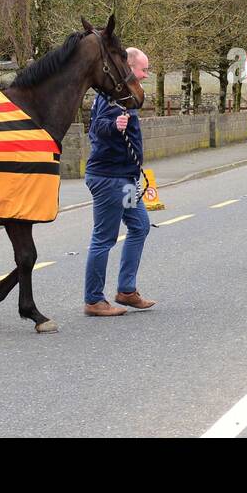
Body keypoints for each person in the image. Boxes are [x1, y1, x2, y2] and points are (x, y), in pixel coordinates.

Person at [82, 47, 154, 316]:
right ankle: (93, 300)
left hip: (125, 179)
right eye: (143, 70)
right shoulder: (110, 96)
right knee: (104, 238)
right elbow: (96, 127)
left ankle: (126, 290)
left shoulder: (125, 96)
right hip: (108, 178)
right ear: (128, 67)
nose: (146, 75)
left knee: (139, 226)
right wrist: (114, 127)